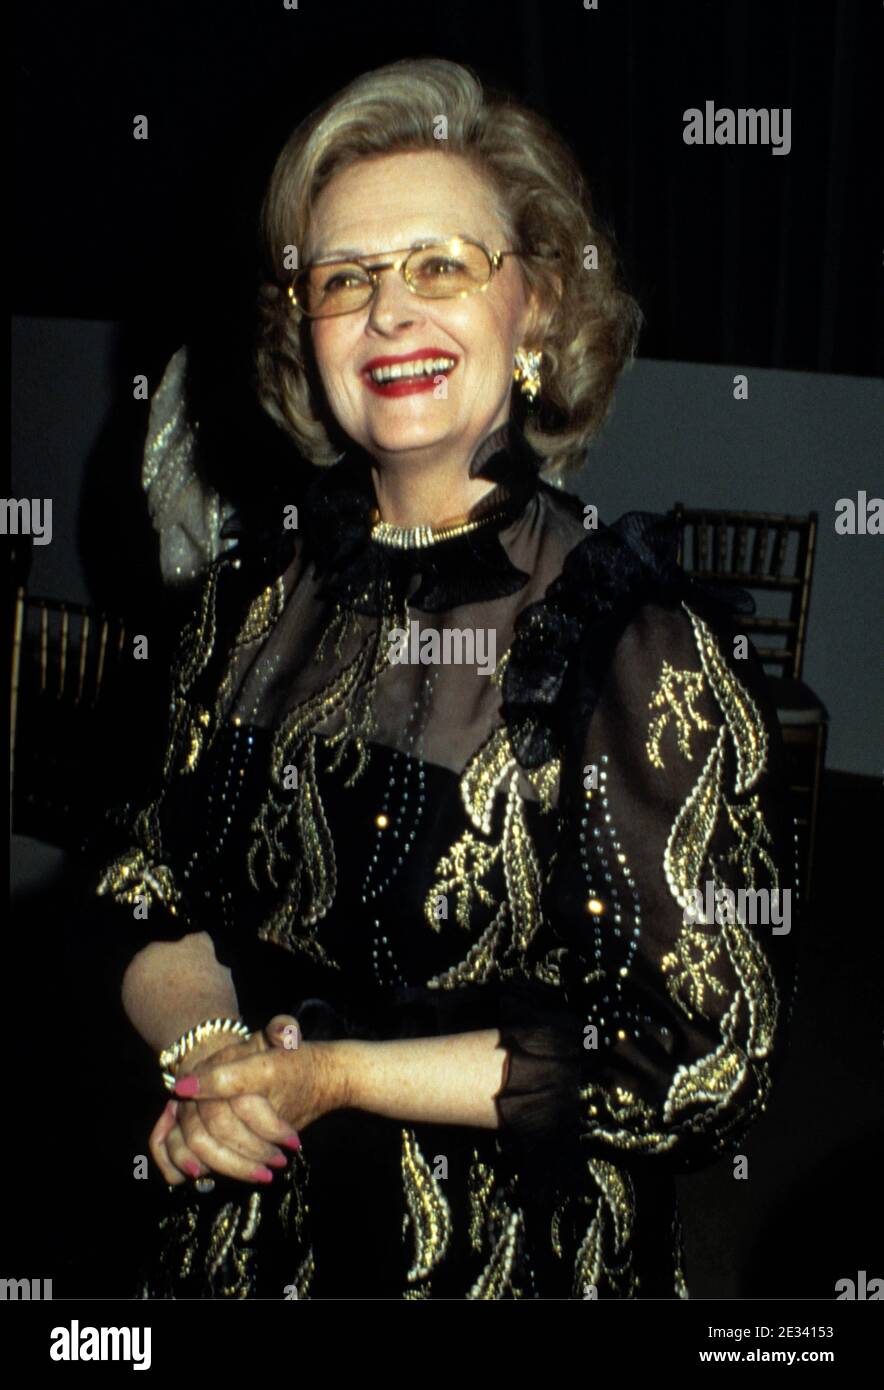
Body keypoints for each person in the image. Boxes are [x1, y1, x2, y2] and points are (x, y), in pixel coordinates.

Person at [86, 56, 797, 1299]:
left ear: (533, 311)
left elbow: (702, 1061)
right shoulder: (237, 609)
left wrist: (342, 1073)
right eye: (344, 277)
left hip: (504, 1255)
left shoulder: (636, 641)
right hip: (250, 1228)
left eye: (439, 265)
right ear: (300, 333)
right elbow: (155, 899)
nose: (388, 311)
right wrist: (215, 1066)